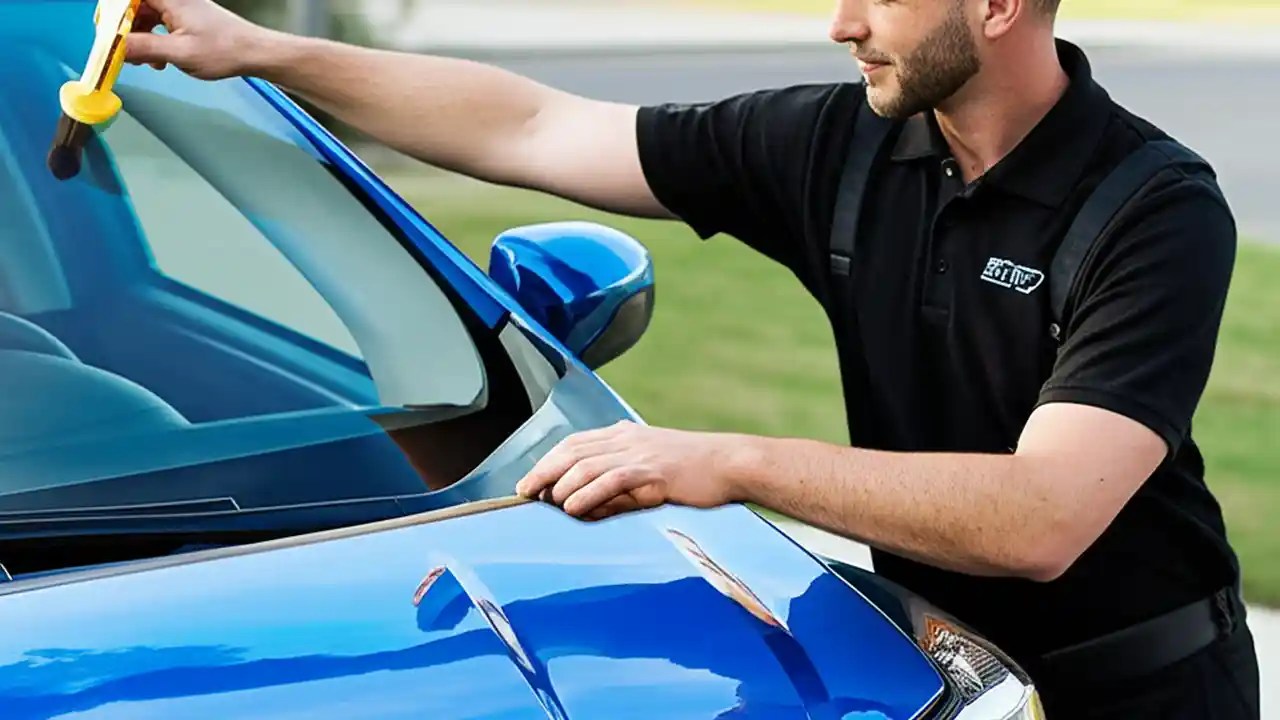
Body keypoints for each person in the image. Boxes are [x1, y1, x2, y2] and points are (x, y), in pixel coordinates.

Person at [124, 0, 1261, 715]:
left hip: (1144, 688)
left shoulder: (1152, 210)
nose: (839, 22)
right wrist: (260, 51)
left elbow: (1039, 519)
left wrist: (729, 460)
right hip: (924, 670)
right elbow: (531, 128)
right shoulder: (842, 147)